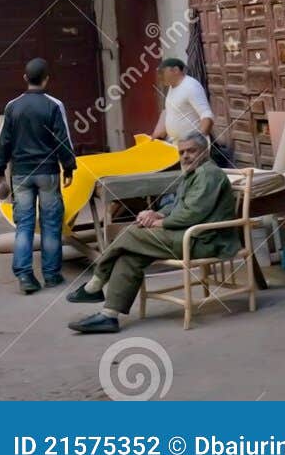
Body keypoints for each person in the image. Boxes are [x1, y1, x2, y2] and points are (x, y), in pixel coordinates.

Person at [67, 132, 238, 333]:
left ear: (205, 151)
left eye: (191, 151)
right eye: (182, 152)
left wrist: (160, 223)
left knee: (129, 233)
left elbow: (192, 214)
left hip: (205, 239)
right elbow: (176, 206)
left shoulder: (208, 174)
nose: (185, 156)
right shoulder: (191, 173)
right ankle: (109, 316)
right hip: (187, 235)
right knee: (130, 255)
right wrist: (155, 213)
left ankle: (95, 284)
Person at [0, 57, 77, 295]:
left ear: (25, 78)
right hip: (48, 172)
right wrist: (68, 167)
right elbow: (63, 140)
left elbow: (4, 142)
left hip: (21, 174)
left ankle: (25, 276)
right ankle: (51, 275)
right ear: (47, 79)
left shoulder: (12, 106)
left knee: (25, 225)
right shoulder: (54, 105)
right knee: (51, 224)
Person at [152, 57, 215, 144]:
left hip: (191, 148)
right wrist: (157, 134)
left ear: (175, 70)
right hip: (176, 145)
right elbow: (169, 110)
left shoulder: (191, 86)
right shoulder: (172, 87)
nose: (159, 76)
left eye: (162, 72)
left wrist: (197, 142)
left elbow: (207, 115)